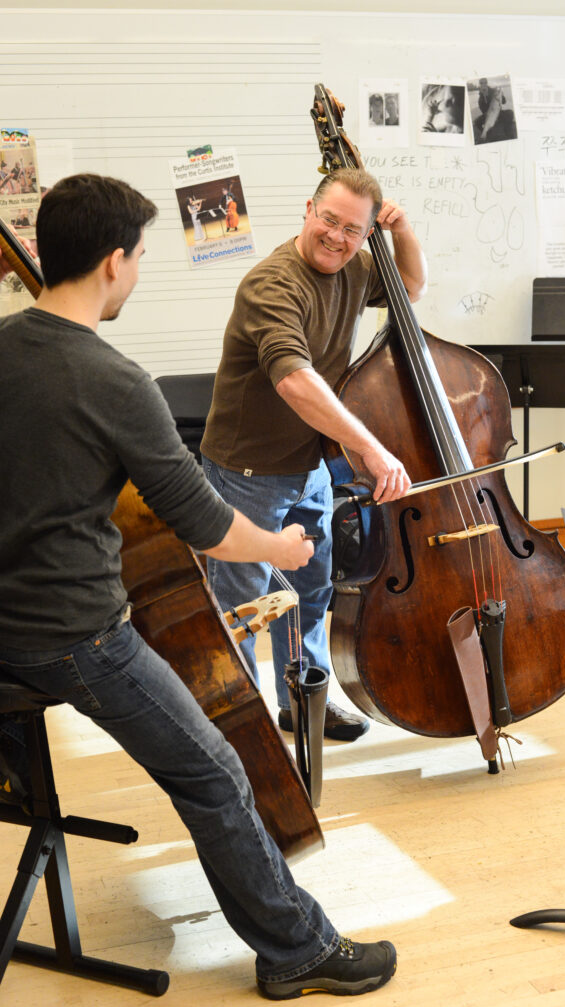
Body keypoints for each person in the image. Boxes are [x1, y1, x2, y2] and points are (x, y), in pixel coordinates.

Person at [0, 173, 397, 1000]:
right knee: (214, 771)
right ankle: (295, 949)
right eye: (138, 256)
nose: (138, 271)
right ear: (110, 263)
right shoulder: (115, 381)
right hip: (72, 637)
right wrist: (284, 547)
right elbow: (208, 527)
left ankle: (8, 758)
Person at [200, 167, 426, 743]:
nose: (337, 237)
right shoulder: (271, 285)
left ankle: (304, 701)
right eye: (330, 220)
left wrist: (402, 233)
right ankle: (242, 730)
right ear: (308, 210)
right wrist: (370, 449)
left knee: (311, 590)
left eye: (354, 229)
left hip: (311, 466)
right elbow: (296, 382)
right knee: (243, 604)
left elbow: (411, 289)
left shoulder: (355, 266)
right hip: (247, 472)